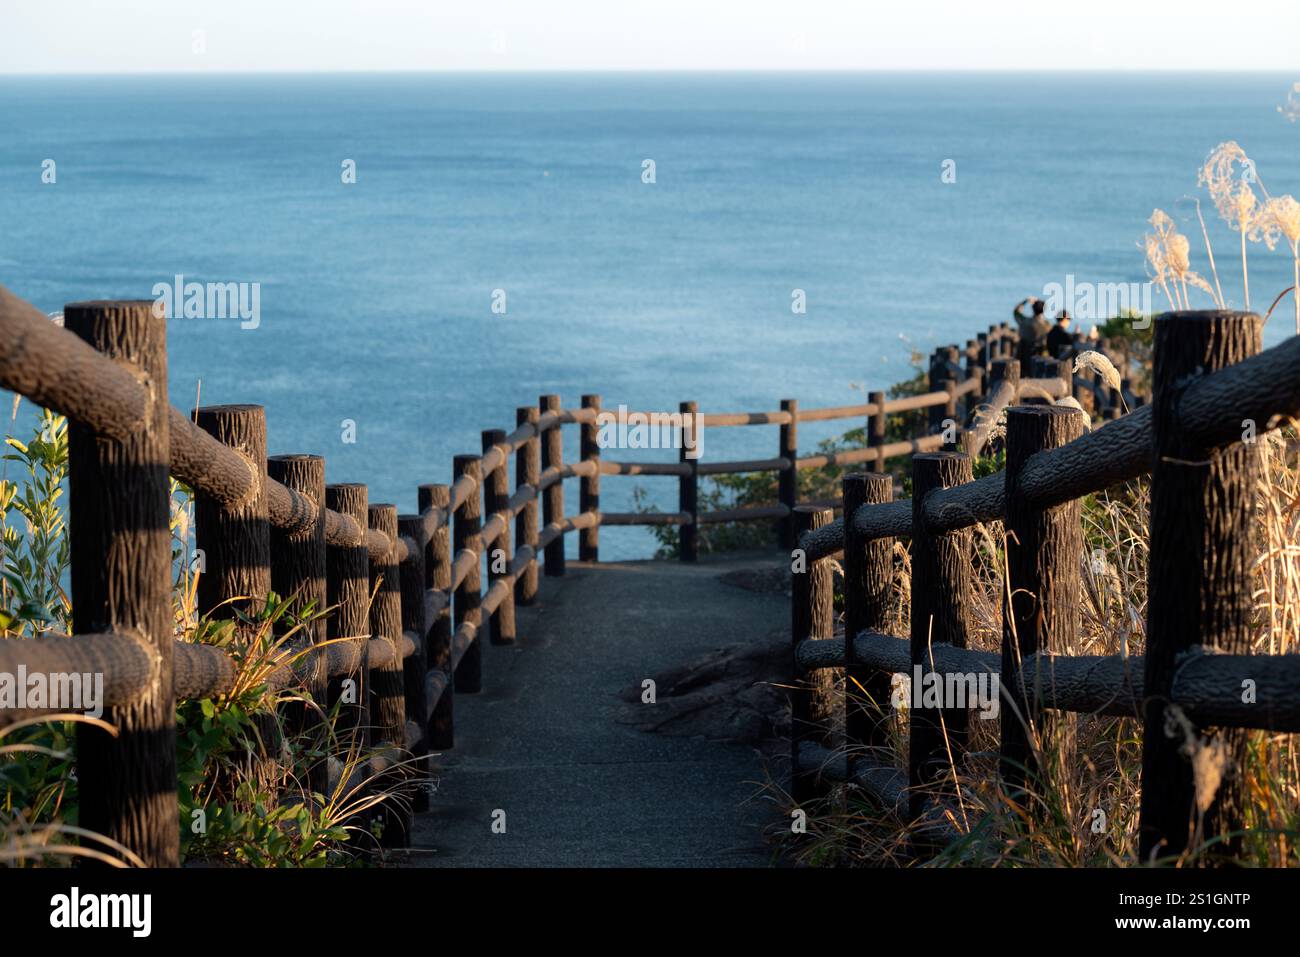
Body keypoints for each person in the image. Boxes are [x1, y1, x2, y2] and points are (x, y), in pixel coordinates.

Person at [1013, 296, 1052, 373]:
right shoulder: (1047, 326)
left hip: (1023, 355)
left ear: (1032, 309)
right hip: (1040, 357)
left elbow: (1016, 312)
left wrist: (1026, 301)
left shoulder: (1024, 321)